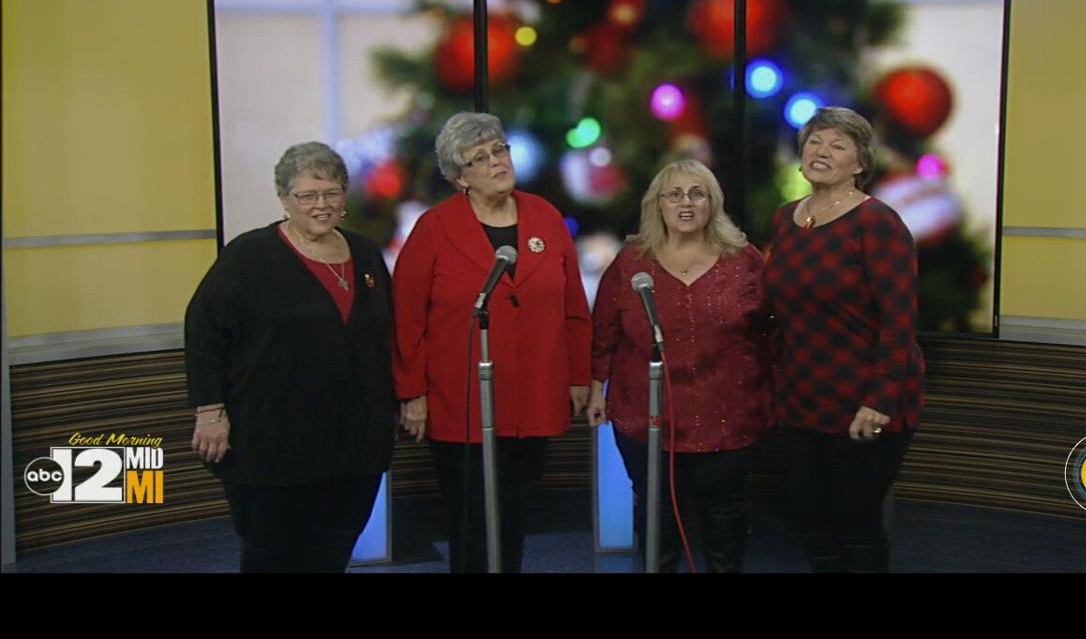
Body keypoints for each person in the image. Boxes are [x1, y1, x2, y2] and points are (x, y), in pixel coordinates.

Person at [392, 112, 592, 573]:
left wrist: (578, 376)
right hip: (459, 398)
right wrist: (412, 393)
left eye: (500, 149)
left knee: (516, 509)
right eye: (479, 158)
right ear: (459, 177)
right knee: (472, 517)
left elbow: (574, 307)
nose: (497, 162)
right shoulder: (434, 227)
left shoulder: (545, 215)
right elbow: (407, 317)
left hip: (534, 393)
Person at [186, 141, 397, 573]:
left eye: (332, 193)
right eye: (307, 195)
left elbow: (381, 338)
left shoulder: (366, 253)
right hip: (275, 444)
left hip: (355, 443)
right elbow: (203, 331)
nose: (321, 205)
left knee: (334, 551)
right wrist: (210, 411)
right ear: (284, 199)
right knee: (274, 556)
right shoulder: (250, 256)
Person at [586, 159, 772, 573]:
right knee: (657, 519)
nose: (685, 203)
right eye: (674, 194)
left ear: (713, 203)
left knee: (725, 521)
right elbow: (605, 330)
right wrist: (598, 385)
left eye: (697, 193)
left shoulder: (745, 261)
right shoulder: (631, 262)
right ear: (657, 205)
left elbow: (769, 334)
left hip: (729, 416)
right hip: (646, 417)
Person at [761, 107, 925, 573]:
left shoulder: (878, 224)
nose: (822, 151)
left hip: (865, 400)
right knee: (808, 514)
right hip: (803, 398)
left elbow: (898, 322)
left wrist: (877, 400)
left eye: (837, 144)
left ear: (859, 164)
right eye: (815, 141)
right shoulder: (786, 220)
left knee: (855, 520)